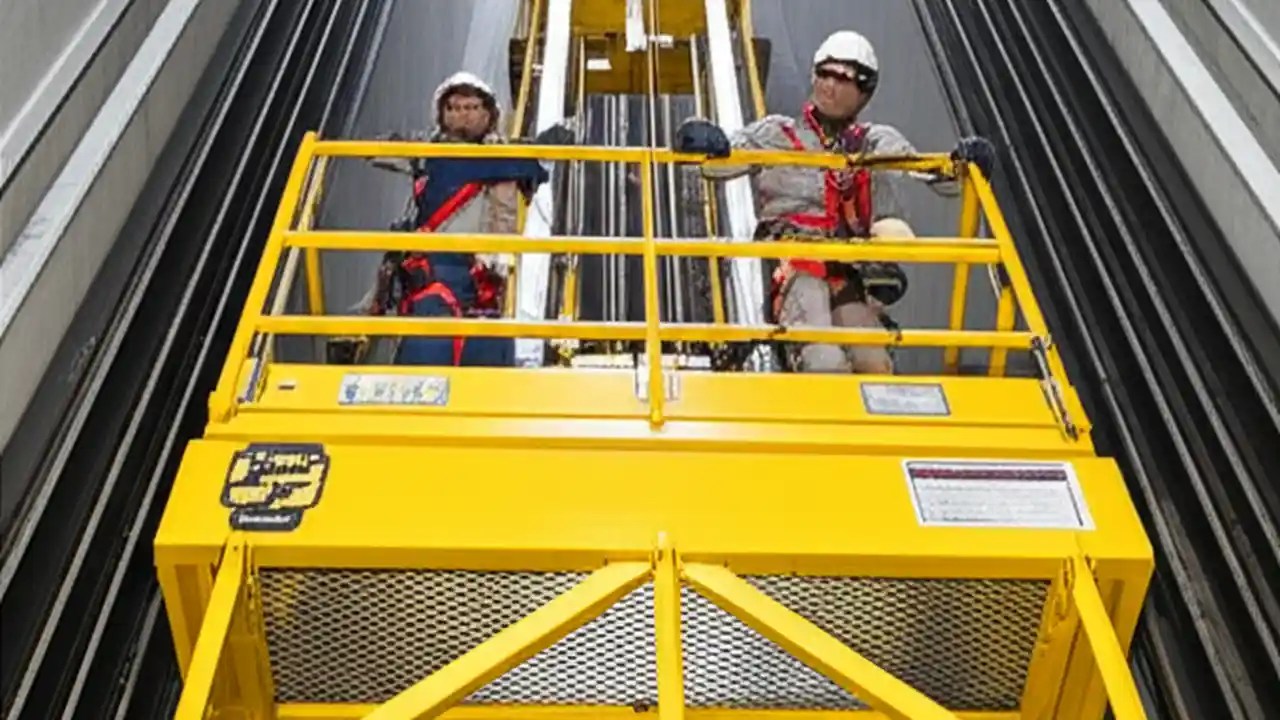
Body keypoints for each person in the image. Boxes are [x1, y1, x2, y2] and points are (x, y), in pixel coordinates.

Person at [676, 30, 996, 374]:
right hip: (795, 263)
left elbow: (930, 173)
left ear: (864, 91)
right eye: (824, 73)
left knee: (874, 362)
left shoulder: (873, 142)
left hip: (846, 272)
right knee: (822, 359)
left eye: (843, 78)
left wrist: (962, 162)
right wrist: (700, 142)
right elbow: (721, 160)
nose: (829, 85)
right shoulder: (777, 134)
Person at [363, 71, 568, 367]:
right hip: (437, 273)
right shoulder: (428, 154)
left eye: (472, 108)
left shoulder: (504, 157)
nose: (463, 116)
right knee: (429, 355)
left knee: (482, 362)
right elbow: (380, 152)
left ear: (488, 114)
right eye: (455, 108)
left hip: (483, 279)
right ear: (442, 115)